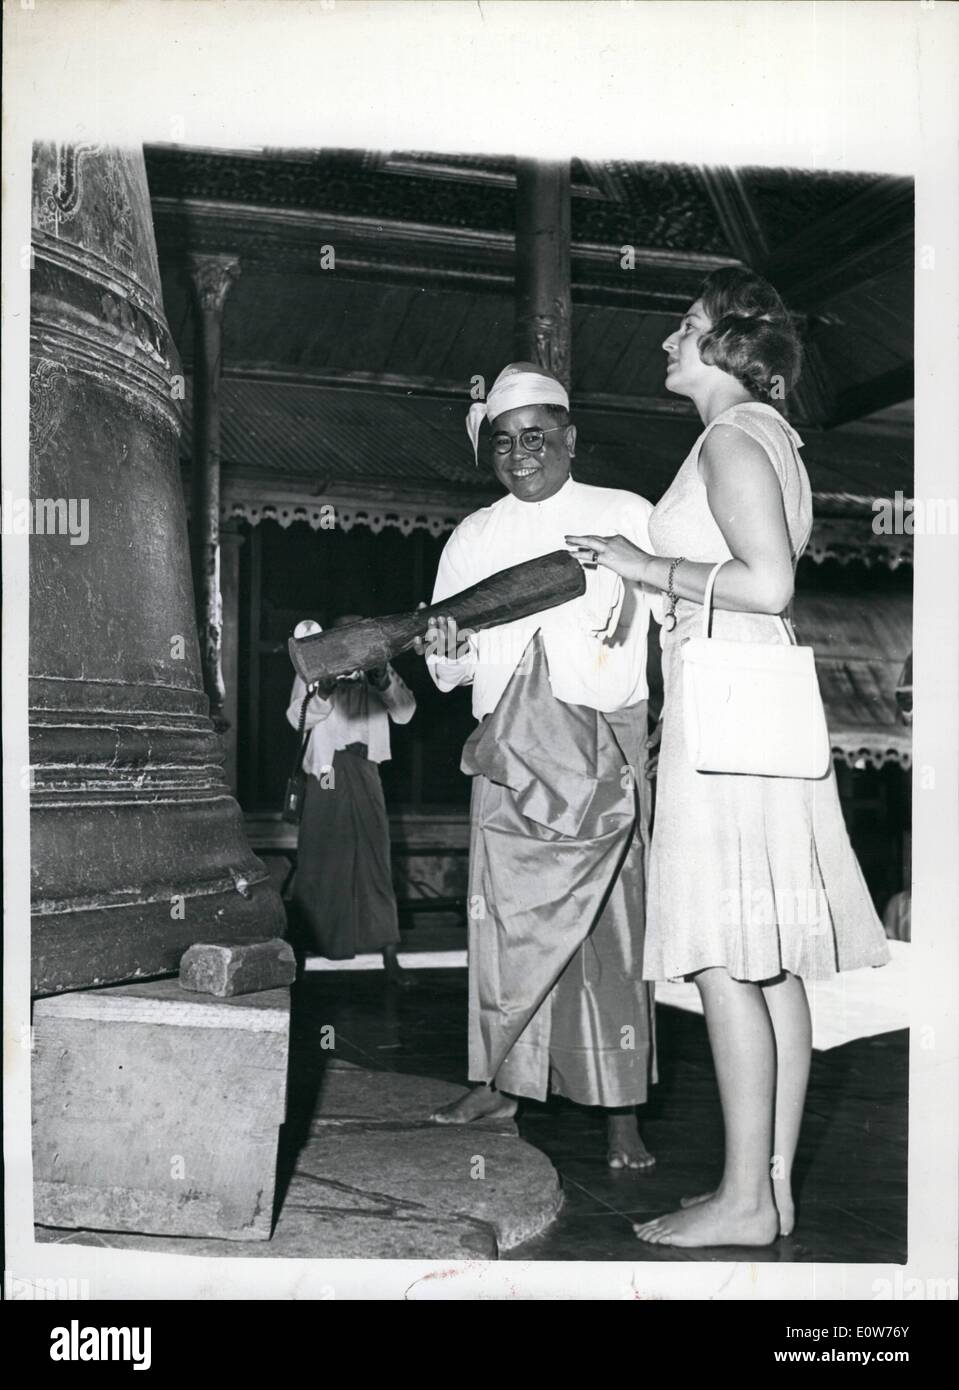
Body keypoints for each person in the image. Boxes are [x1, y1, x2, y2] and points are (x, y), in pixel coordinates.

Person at [567, 266, 890, 1246]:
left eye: (683, 325)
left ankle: (743, 1199)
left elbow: (767, 584)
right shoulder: (767, 435)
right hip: (750, 704)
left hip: (730, 709)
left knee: (720, 957)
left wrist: (637, 564)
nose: (667, 340)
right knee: (766, 963)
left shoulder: (727, 435)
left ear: (723, 343)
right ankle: (770, 1190)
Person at [424, 361, 660, 1169]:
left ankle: (620, 1109)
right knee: (503, 934)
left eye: (535, 438)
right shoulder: (473, 537)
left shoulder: (624, 514)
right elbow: (445, 662)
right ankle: (498, 1084)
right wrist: (446, 653)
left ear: (568, 439)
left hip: (599, 745)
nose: (519, 454)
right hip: (508, 753)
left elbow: (666, 621)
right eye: (503, 442)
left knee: (608, 935)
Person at [286, 615, 417, 986]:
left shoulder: (379, 664)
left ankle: (390, 958)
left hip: (366, 767)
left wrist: (381, 678)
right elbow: (295, 718)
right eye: (346, 633)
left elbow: (406, 713)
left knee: (376, 859)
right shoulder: (313, 661)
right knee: (320, 857)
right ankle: (305, 957)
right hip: (327, 770)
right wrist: (323, 691)